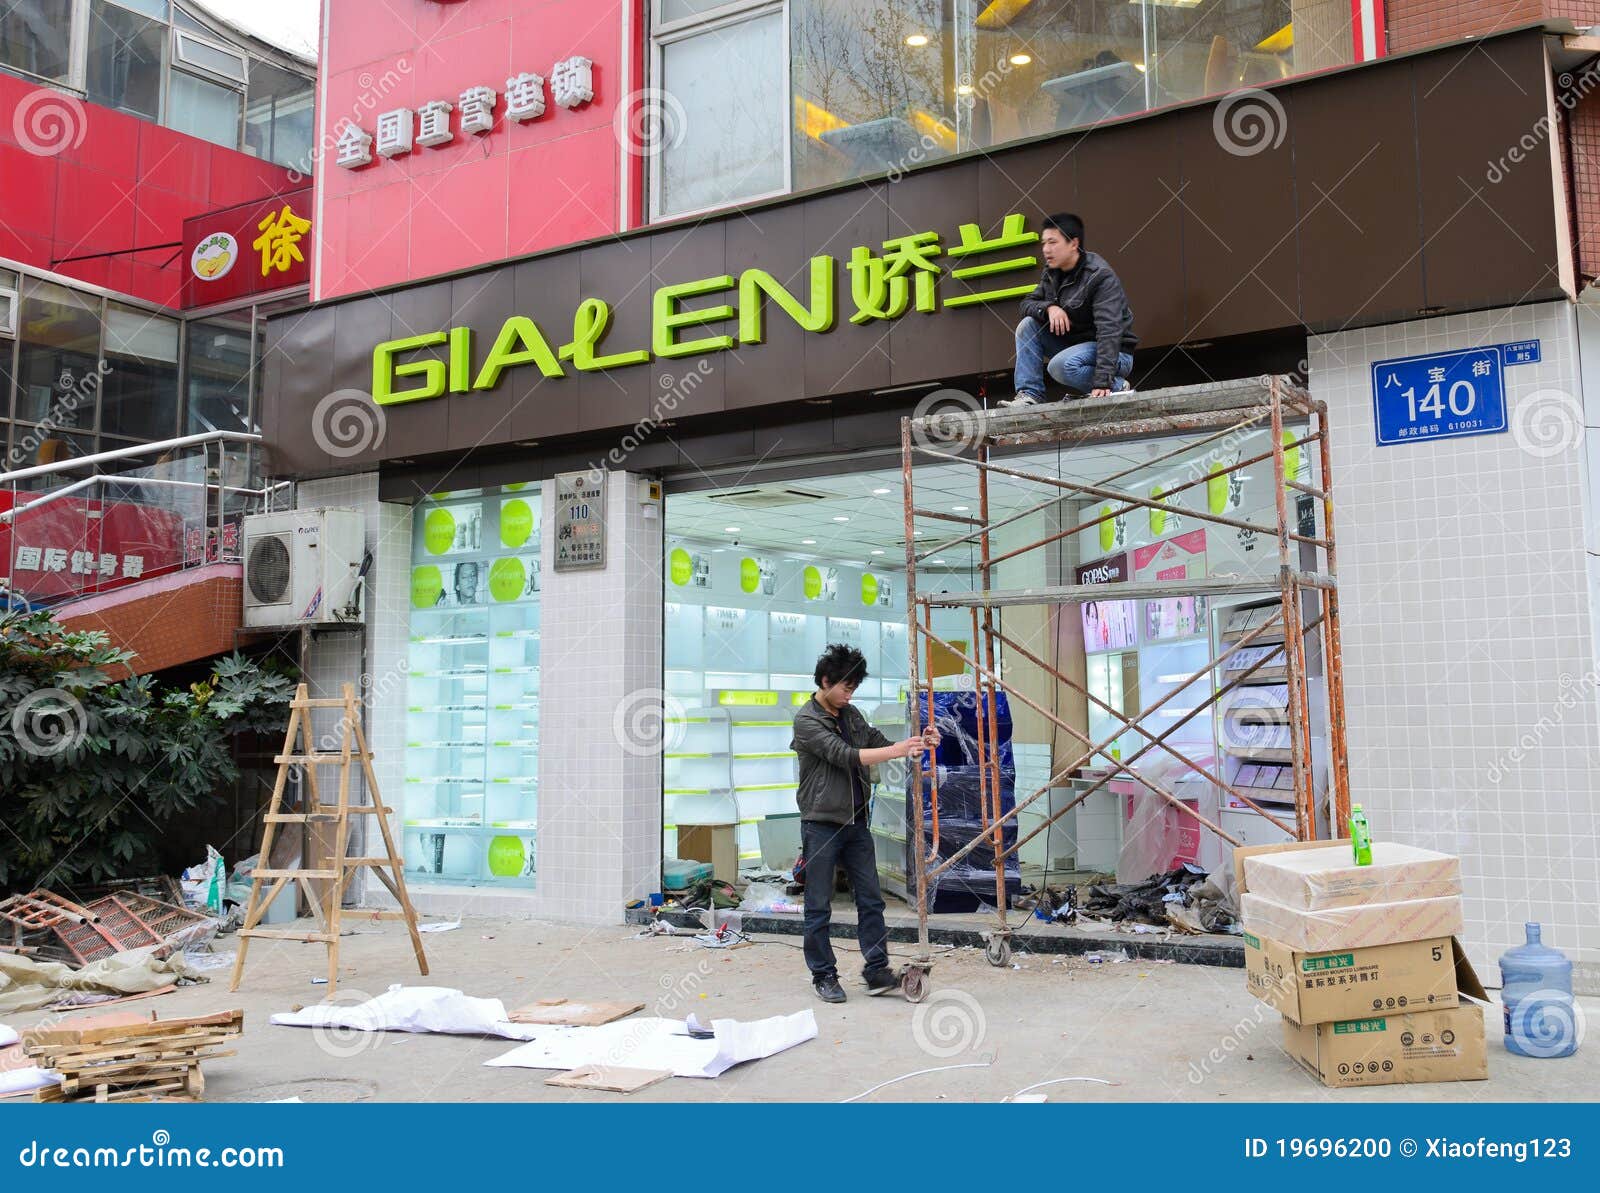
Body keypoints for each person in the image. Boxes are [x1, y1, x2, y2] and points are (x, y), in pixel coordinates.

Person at [791, 643, 939, 1003]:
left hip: (857, 822)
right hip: (821, 823)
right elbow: (845, 755)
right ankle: (823, 975)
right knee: (818, 905)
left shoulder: (852, 714)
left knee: (871, 900)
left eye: (854, 688)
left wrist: (918, 743)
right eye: (845, 687)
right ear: (825, 681)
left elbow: (875, 741)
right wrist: (899, 749)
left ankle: (876, 971)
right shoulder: (807, 720)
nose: (849, 694)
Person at [1004, 212, 1137, 405]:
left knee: (1059, 366)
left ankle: (1117, 386)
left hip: (1114, 353)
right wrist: (1050, 308)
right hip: (1075, 348)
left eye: (1052, 242)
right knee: (1028, 326)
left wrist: (1103, 381)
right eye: (1044, 243)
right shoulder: (1051, 273)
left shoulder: (1099, 276)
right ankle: (1029, 395)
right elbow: (1026, 304)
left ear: (1073, 243)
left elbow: (1109, 331)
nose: (1046, 249)